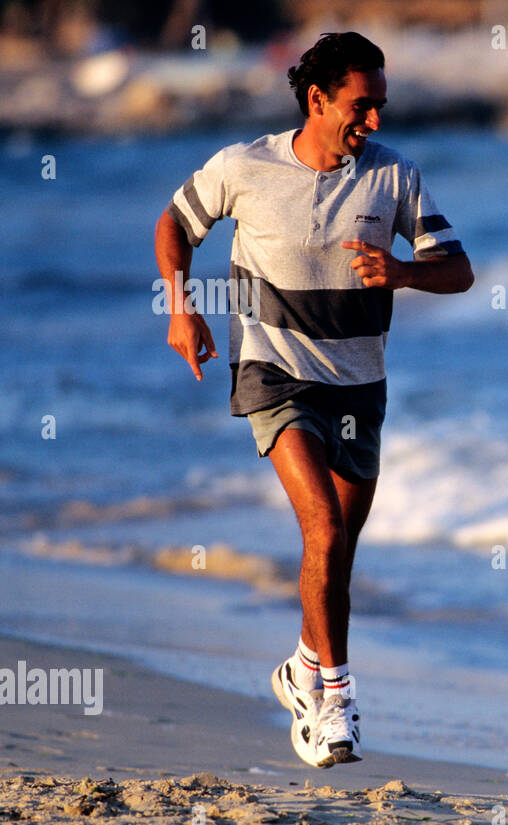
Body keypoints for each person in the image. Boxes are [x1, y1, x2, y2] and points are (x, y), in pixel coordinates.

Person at [154, 32, 473, 768]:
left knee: (335, 552)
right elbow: (175, 222)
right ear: (318, 98)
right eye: (363, 106)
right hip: (274, 370)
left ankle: (302, 664)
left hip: (359, 380)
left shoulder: (396, 178)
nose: (376, 122)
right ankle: (336, 700)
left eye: (382, 107)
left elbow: (456, 269)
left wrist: (402, 273)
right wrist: (181, 305)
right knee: (323, 528)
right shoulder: (247, 166)